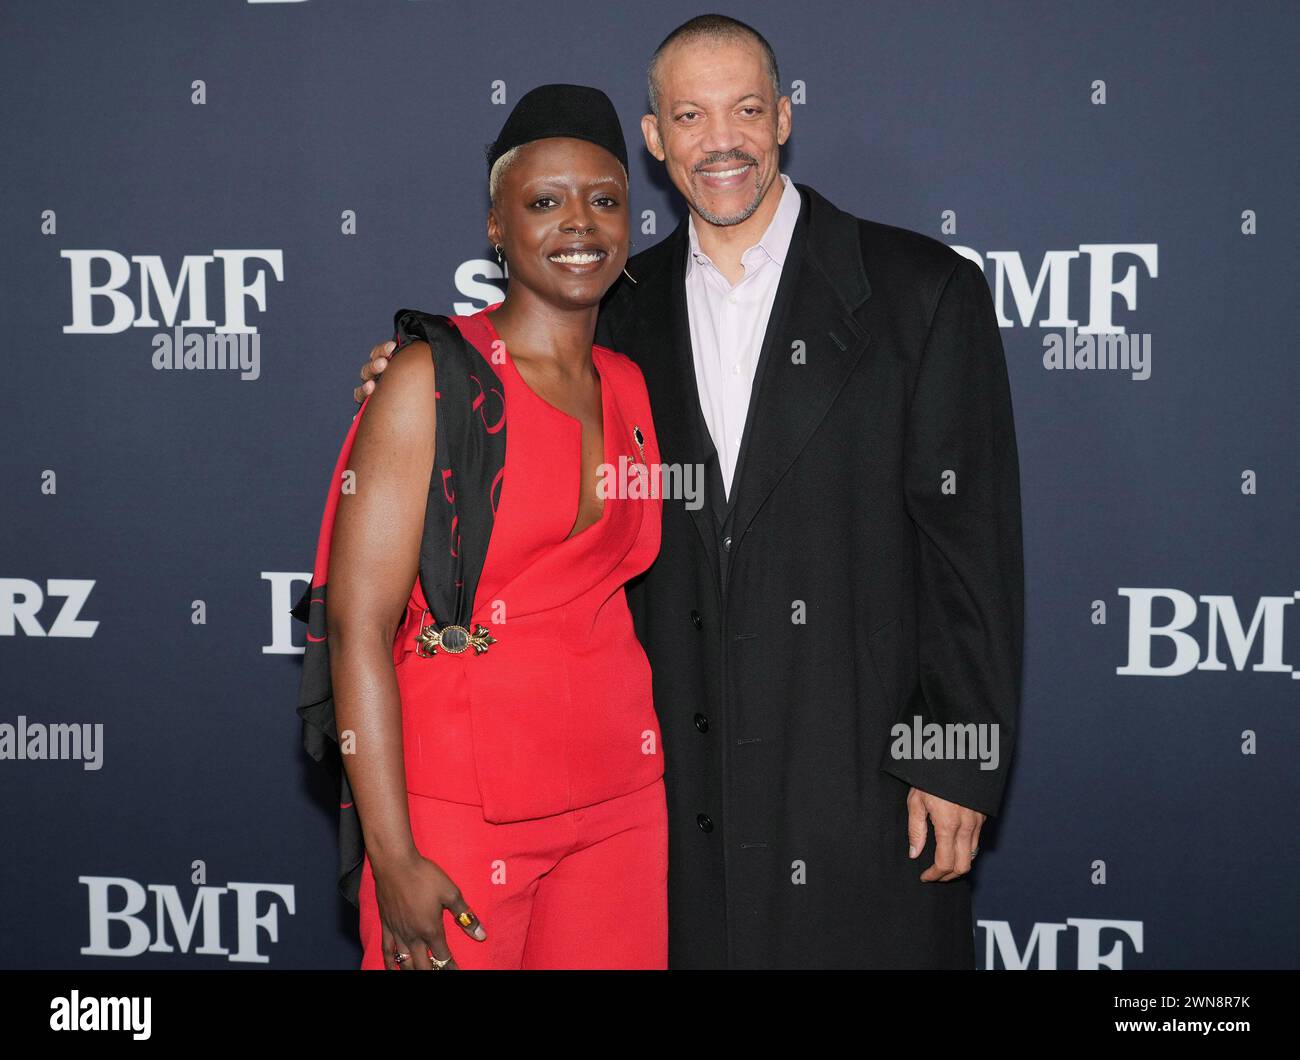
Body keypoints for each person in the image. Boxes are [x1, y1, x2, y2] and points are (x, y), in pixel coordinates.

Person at [354, 16, 1024, 969]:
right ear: (657, 139)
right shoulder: (614, 310)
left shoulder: (922, 291)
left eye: (747, 109)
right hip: (673, 800)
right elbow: (495, 384)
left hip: (858, 779)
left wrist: (954, 758)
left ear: (784, 119)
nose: (723, 140)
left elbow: (971, 549)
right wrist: (413, 374)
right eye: (691, 115)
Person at [301, 83, 667, 970]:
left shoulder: (631, 381)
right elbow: (357, 627)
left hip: (622, 806)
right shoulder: (431, 378)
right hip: (458, 813)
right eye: (544, 202)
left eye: (605, 200)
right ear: (496, 227)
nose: (578, 223)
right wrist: (393, 857)